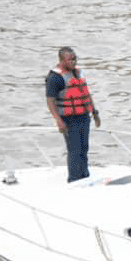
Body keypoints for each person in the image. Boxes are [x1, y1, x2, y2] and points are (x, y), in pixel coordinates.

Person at [45, 47, 101, 182]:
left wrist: (95, 113)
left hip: (84, 117)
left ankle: (85, 176)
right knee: (75, 150)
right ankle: (74, 179)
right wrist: (58, 121)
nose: (74, 62)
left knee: (84, 149)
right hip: (69, 119)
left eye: (75, 59)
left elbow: (86, 94)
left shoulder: (78, 73)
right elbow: (50, 101)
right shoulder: (55, 78)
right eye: (70, 60)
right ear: (61, 60)